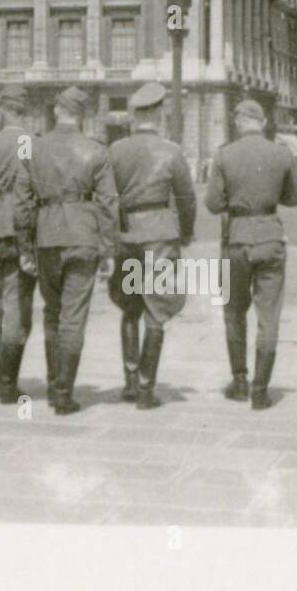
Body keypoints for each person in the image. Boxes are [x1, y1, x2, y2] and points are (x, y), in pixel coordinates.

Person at [13, 85, 118, 416]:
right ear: (83, 115)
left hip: (46, 235)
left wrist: (25, 246)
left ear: (56, 110)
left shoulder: (33, 149)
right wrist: (108, 250)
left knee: (52, 312)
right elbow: (107, 204)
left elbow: (22, 203)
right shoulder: (97, 151)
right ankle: (63, 391)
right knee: (73, 317)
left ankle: (51, 380)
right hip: (83, 236)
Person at [205, 97, 297, 410]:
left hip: (237, 238)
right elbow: (294, 198)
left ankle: (240, 380)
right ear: (262, 123)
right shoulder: (282, 153)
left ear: (237, 122)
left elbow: (213, 204)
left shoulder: (224, 154)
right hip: (271, 236)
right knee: (269, 315)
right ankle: (261, 390)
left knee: (233, 311)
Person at [107, 82, 197, 409]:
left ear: (135, 115)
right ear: (158, 113)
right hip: (159, 234)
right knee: (156, 310)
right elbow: (186, 199)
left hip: (128, 235)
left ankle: (130, 381)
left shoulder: (116, 150)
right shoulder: (171, 151)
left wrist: (114, 233)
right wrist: (185, 232)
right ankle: (147, 388)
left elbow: (107, 197)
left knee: (129, 307)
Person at [0, 86, 39, 403]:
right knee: (16, 305)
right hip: (19, 228)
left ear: (2, 109)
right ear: (23, 111)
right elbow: (31, 187)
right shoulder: (28, 143)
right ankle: (7, 382)